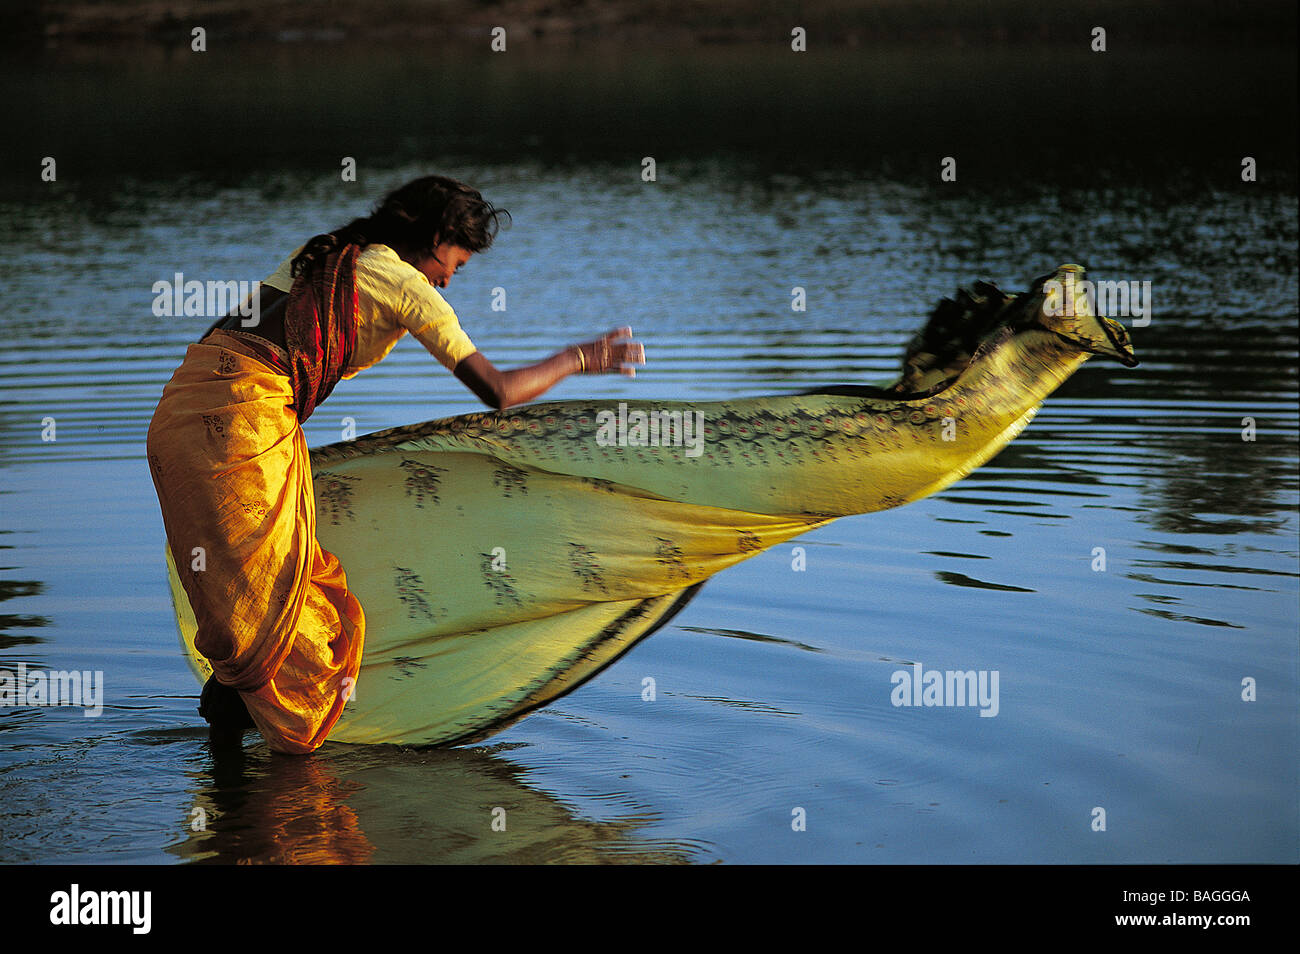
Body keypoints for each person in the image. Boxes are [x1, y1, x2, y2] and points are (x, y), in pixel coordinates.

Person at [146, 174, 645, 753]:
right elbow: (498, 390)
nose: (449, 279)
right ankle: (281, 779)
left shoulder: (325, 252)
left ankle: (229, 767)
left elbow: (232, 335)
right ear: (435, 238)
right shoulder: (405, 282)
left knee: (258, 600)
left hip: (181, 412)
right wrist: (580, 357)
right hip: (240, 420)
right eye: (453, 264)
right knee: (288, 606)